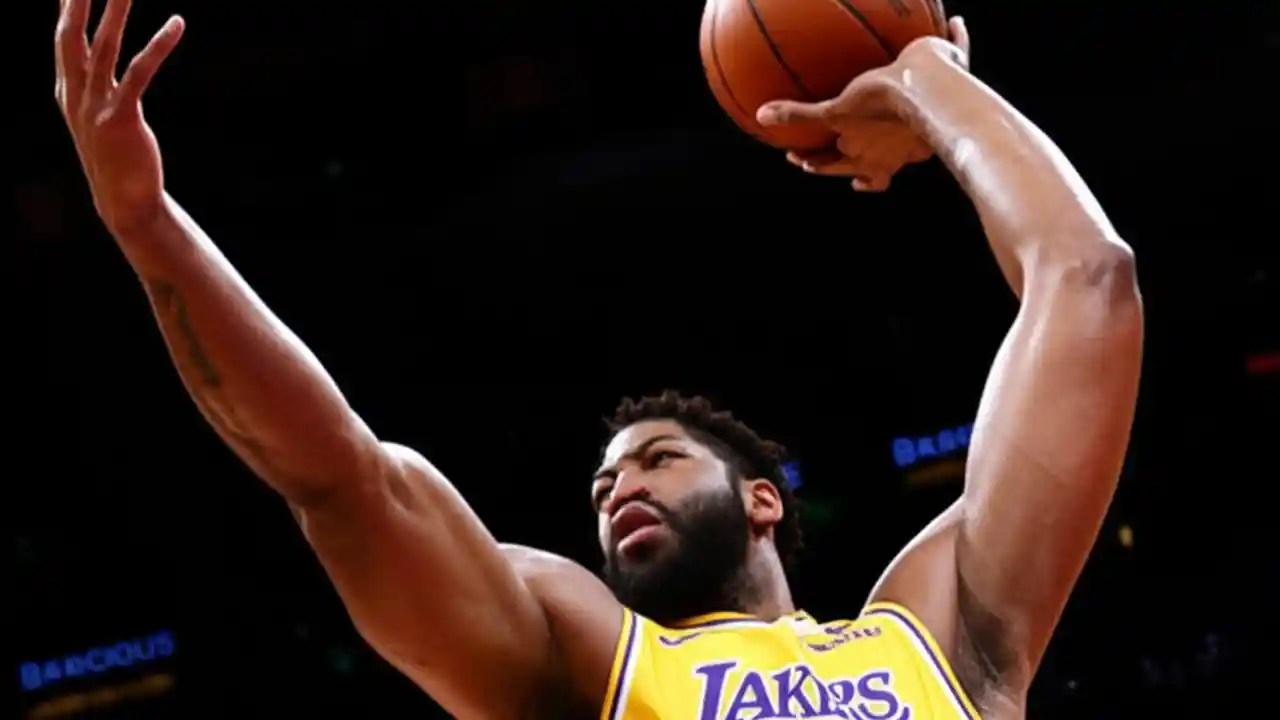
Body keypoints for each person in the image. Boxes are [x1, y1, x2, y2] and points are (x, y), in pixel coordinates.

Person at [52, 0, 1144, 718]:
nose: (616, 483)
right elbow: (337, 474)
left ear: (761, 500)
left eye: (656, 458)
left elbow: (1086, 283)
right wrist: (148, 226)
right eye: (601, 480)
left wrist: (925, 83)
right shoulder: (574, 654)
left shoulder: (939, 636)